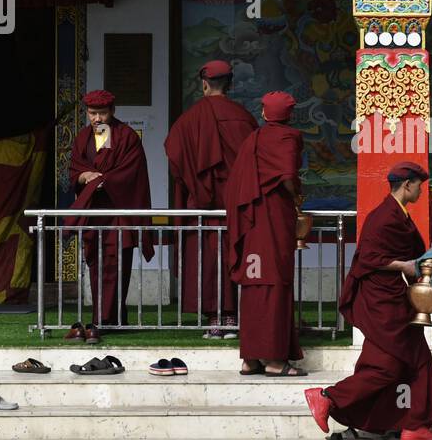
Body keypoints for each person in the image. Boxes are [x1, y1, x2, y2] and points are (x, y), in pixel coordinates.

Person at [304, 161, 432, 440]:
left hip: (392, 299)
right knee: (404, 364)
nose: (421, 190)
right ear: (407, 185)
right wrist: (405, 266)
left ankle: (397, 423)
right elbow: (369, 259)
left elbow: (412, 251)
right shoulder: (384, 217)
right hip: (384, 304)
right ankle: (328, 397)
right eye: (419, 185)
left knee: (392, 366)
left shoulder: (398, 214)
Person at [164, 60, 258, 339]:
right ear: (229, 84)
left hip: (203, 207)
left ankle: (215, 320)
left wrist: (195, 183)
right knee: (235, 256)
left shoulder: (189, 119)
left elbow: (175, 158)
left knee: (207, 259)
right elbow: (255, 161)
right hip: (237, 206)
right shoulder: (244, 118)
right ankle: (233, 317)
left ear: (204, 83)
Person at [224, 90, 305, 376]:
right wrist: (297, 197)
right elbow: (286, 177)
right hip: (273, 222)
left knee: (253, 286)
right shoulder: (288, 137)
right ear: (290, 114)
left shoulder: (253, 139)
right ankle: (274, 361)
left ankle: (250, 359)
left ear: (264, 113)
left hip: (251, 223)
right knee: (275, 285)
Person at [67, 89, 155, 337]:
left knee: (117, 265)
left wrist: (102, 180)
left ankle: (111, 319)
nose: (97, 119)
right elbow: (76, 168)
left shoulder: (127, 136)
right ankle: (101, 318)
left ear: (113, 112)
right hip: (93, 213)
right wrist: (85, 176)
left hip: (117, 212)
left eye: (102, 113)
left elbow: (131, 172)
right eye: (92, 113)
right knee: (96, 264)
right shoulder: (83, 137)